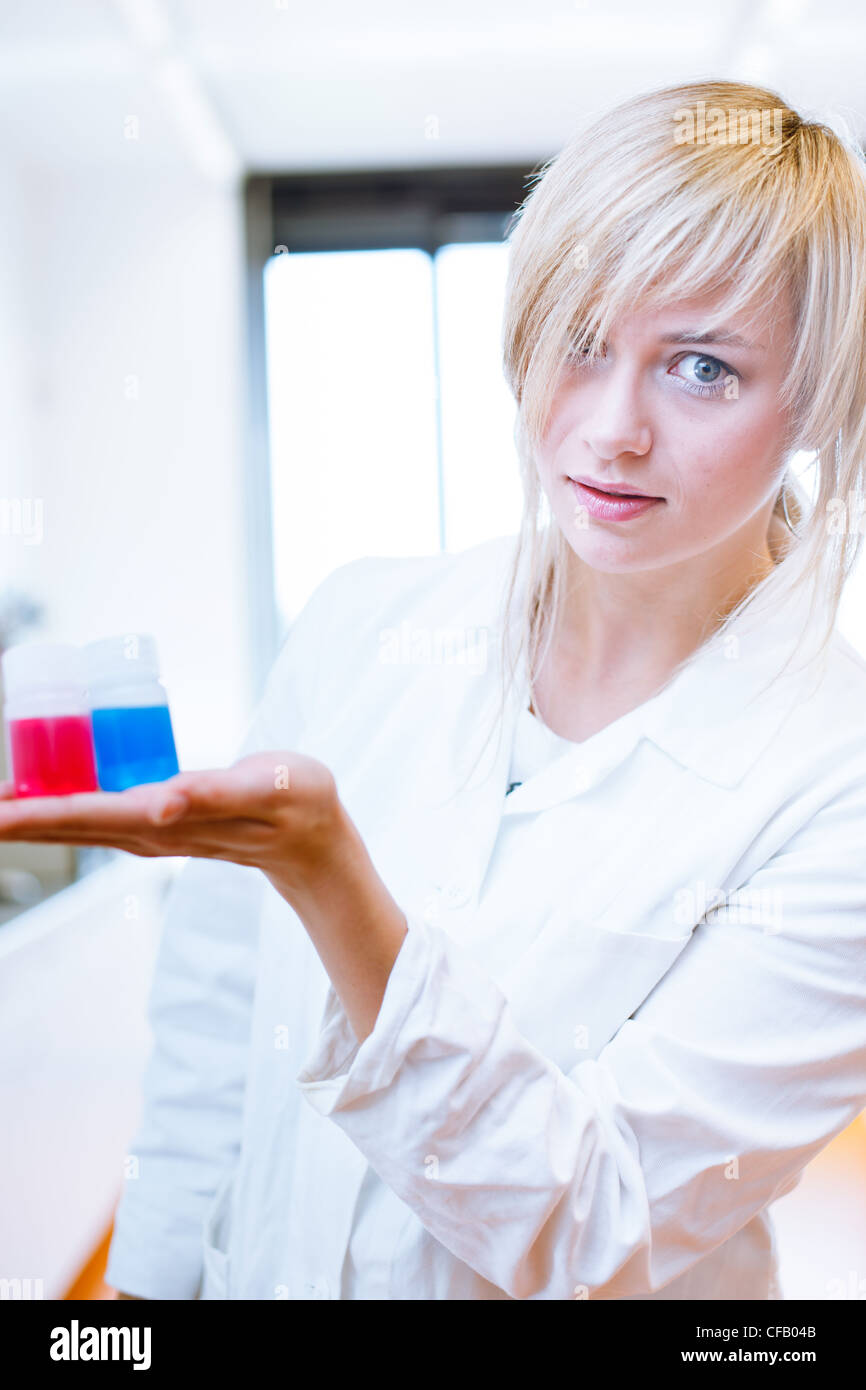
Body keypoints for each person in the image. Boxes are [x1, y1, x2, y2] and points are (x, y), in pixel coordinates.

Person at [3, 77, 866, 1300]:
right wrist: (141, 1299)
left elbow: (594, 1231)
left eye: (700, 369)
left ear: (817, 402)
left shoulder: (836, 787)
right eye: (578, 338)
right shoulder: (364, 624)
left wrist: (331, 881)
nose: (610, 428)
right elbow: (216, 1027)